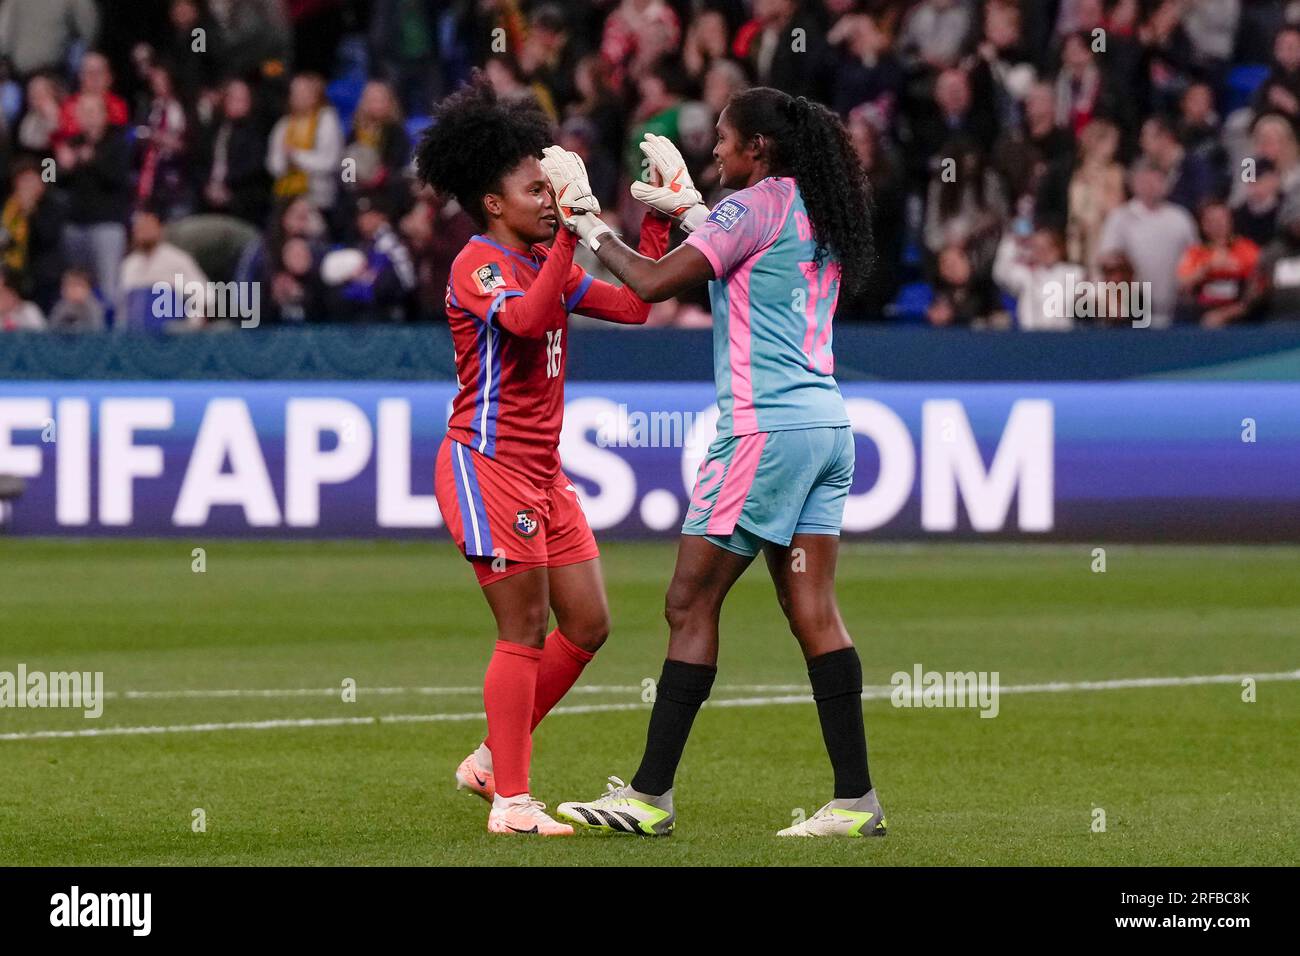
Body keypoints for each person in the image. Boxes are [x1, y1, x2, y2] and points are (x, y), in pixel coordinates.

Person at [549, 87, 885, 838]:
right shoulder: (814, 206)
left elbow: (651, 283)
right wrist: (696, 208)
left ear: (759, 148)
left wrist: (587, 223)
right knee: (813, 611)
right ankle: (854, 803)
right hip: (826, 427)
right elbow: (748, 261)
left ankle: (647, 797)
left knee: (687, 604)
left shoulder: (754, 204)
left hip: (762, 432)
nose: (715, 154)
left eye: (725, 142)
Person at [412, 73, 671, 837]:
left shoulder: (545, 259)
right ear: (494, 204)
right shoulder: (479, 263)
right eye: (536, 190)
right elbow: (524, 322)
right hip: (485, 466)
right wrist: (570, 233)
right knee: (521, 630)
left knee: (587, 624)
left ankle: (495, 758)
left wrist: (650, 222)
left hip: (544, 477)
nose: (550, 198)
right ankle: (512, 802)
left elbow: (634, 302)